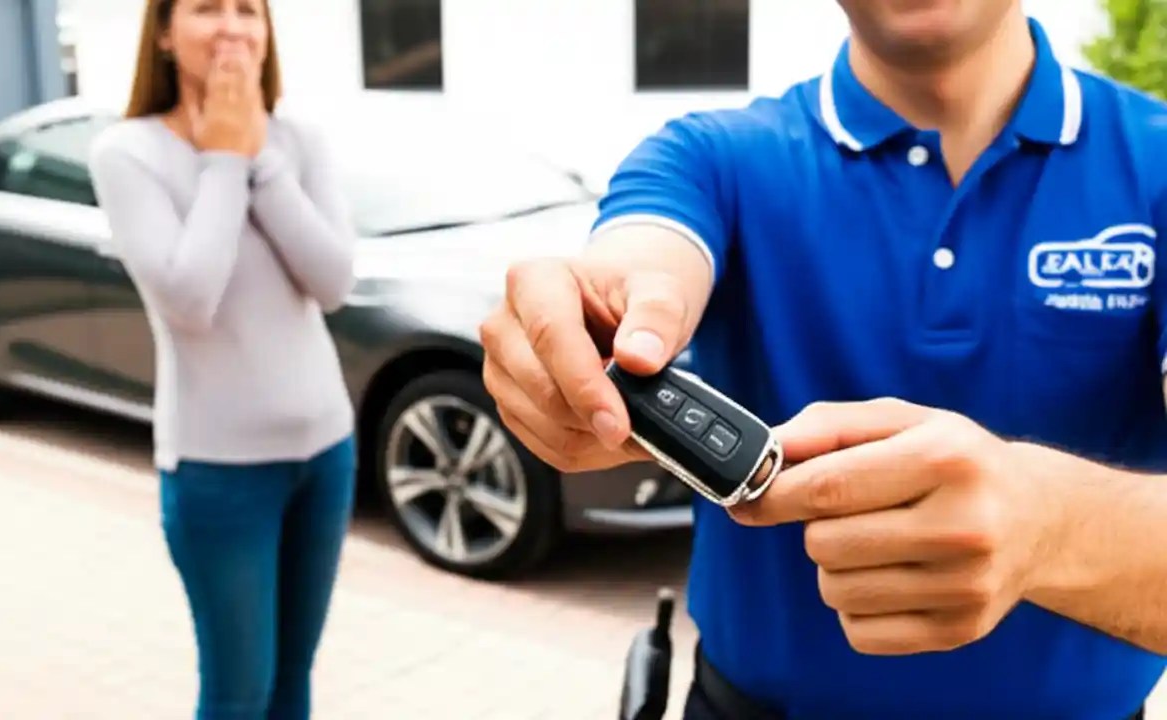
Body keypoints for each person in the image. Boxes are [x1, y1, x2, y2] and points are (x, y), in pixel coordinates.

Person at [479, 2, 1167, 719]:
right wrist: (590, 325)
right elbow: (640, 256)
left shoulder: (1155, 161)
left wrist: (1050, 527)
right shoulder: (712, 156)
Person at [87, 0, 359, 717]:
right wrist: (223, 160)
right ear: (166, 34)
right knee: (240, 692)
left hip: (328, 454)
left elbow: (332, 281)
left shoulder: (299, 139)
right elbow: (189, 299)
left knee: (293, 680)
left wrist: (258, 159)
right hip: (219, 475)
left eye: (250, 9)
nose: (234, 26)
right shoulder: (128, 153)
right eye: (209, 8)